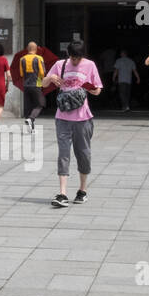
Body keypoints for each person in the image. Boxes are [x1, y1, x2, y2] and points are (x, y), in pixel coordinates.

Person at [43, 40, 101, 208]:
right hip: (63, 117)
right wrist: (50, 77)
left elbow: (97, 91)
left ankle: (82, 190)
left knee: (83, 154)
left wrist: (90, 88)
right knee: (63, 154)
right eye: (73, 58)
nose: (75, 61)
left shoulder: (90, 65)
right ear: (68, 55)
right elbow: (43, 84)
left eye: (78, 58)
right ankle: (62, 194)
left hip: (83, 118)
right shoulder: (60, 64)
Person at [17, 42, 46, 133]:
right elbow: (42, 73)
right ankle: (31, 118)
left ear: (27, 48)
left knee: (29, 106)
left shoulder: (22, 59)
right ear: (36, 48)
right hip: (36, 85)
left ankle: (31, 129)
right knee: (40, 104)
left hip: (26, 85)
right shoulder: (39, 58)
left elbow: (21, 73)